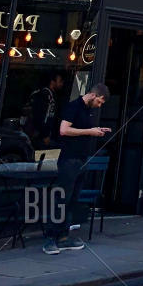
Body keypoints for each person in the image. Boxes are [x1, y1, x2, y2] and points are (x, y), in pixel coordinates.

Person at [44, 83, 110, 255]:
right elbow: (64, 130)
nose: (100, 106)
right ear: (95, 96)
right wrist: (90, 131)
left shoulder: (87, 110)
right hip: (69, 160)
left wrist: (96, 130)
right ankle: (50, 238)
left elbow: (82, 129)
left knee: (72, 200)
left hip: (80, 161)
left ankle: (64, 237)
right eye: (100, 102)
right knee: (62, 198)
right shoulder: (74, 106)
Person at [25, 72, 66, 150]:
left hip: (46, 134)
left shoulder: (52, 95)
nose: (62, 84)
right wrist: (45, 135)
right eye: (60, 81)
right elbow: (40, 116)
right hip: (41, 135)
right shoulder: (45, 95)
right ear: (52, 82)